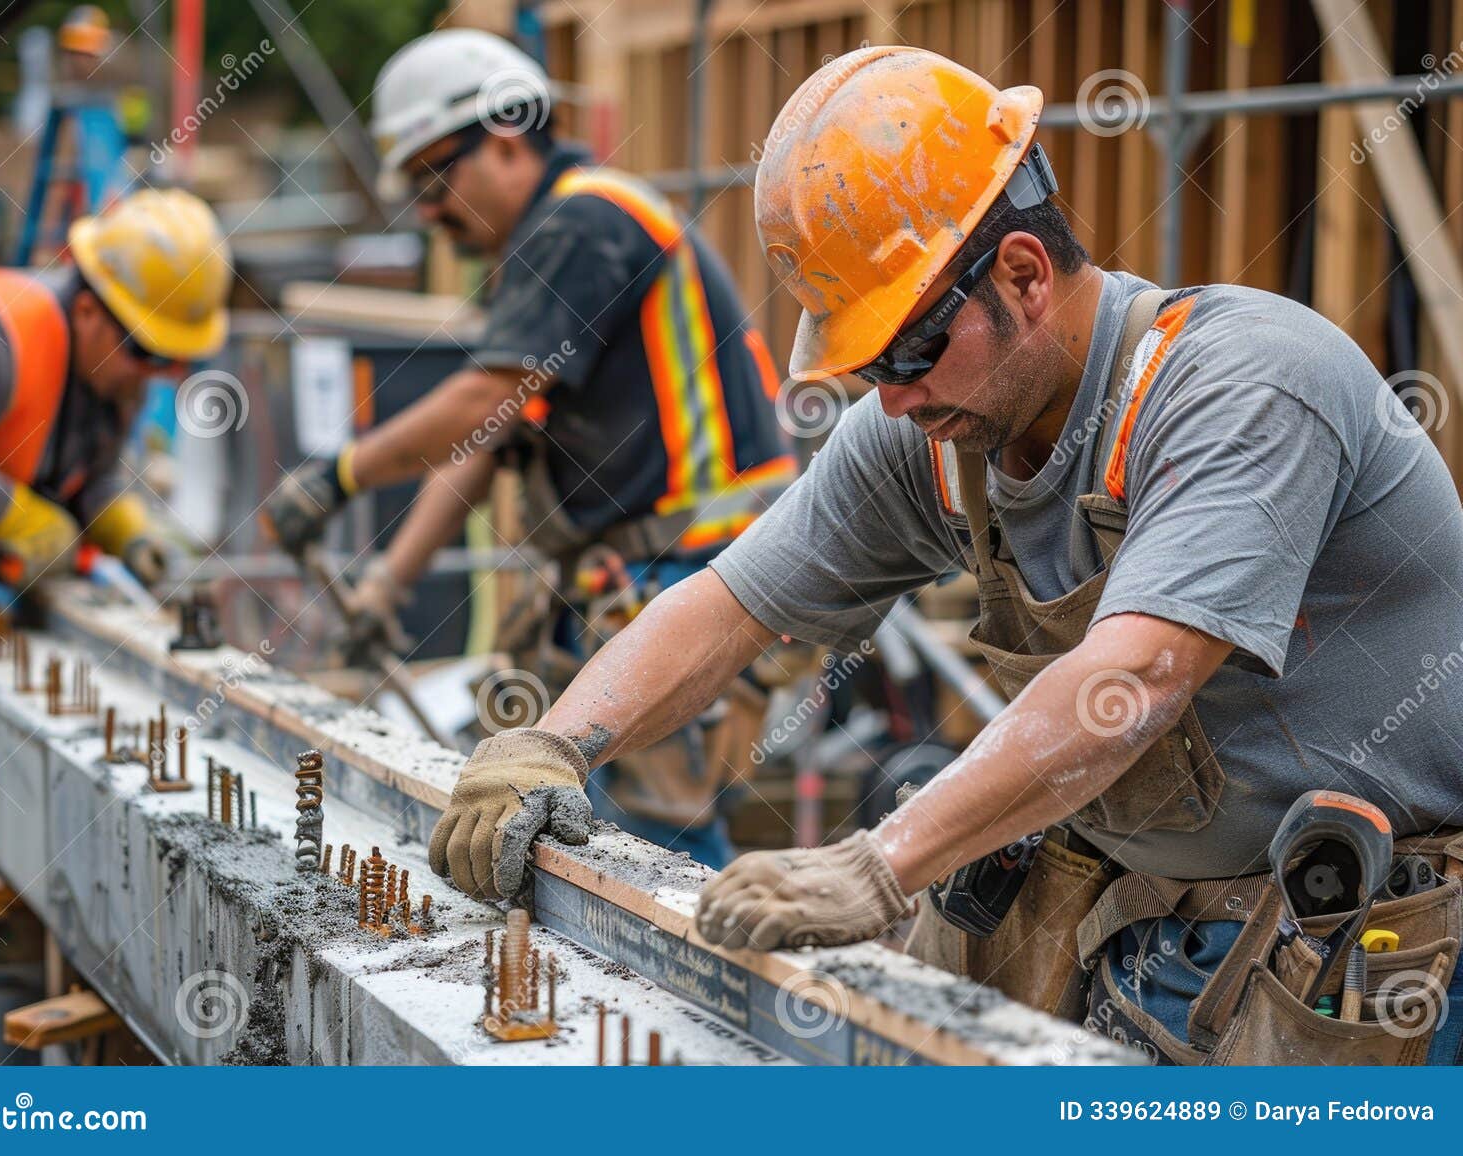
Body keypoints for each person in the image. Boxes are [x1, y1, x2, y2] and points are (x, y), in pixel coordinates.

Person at [423, 46, 1463, 1066]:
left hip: (1373, 957)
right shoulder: (936, 428)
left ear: (1021, 273)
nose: (895, 395)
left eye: (910, 350)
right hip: (1158, 927)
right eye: (868, 362)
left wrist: (880, 866)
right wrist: (553, 746)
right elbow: (733, 601)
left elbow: (1134, 674)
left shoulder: (1238, 387)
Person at [265, 30, 799, 868]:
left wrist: (337, 475)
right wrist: (386, 586)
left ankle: (703, 995)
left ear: (506, 138)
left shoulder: (585, 221)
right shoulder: (550, 246)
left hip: (702, 568)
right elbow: (493, 432)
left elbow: (483, 398)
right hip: (650, 571)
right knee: (608, 831)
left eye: (434, 174)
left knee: (653, 845)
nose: (429, 210)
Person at [0, 188, 229, 602]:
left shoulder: (115, 378)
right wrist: (12, 514)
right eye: (148, 351)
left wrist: (124, 528)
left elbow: (91, 475)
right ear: (89, 312)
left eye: (177, 360)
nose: (160, 374)